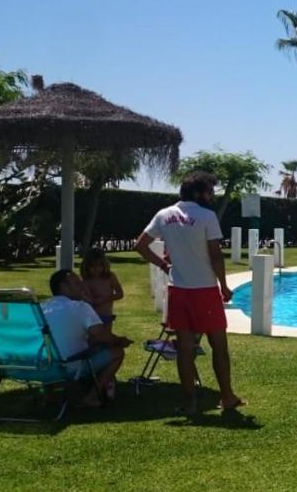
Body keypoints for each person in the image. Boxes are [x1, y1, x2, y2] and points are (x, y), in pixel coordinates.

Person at [135, 171, 243, 414]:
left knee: (184, 349)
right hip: (204, 290)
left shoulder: (163, 215)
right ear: (198, 193)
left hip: (178, 290)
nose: (212, 196)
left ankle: (190, 402)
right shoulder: (206, 216)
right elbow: (215, 254)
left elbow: (140, 245)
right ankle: (226, 396)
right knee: (219, 346)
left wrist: (163, 265)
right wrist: (224, 285)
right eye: (209, 191)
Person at [42, 269, 131, 406]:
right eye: (77, 284)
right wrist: (119, 340)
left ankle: (51, 395)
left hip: (44, 366)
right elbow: (101, 335)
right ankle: (91, 396)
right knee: (117, 352)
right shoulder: (80, 307)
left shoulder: (41, 308)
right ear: (64, 287)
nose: (82, 287)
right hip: (71, 366)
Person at [80, 248, 123, 326]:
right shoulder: (86, 281)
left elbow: (120, 294)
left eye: (100, 266)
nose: (97, 269)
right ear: (86, 266)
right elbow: (87, 299)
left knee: (107, 336)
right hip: (92, 317)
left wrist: (104, 299)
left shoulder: (110, 277)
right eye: (92, 266)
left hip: (107, 315)